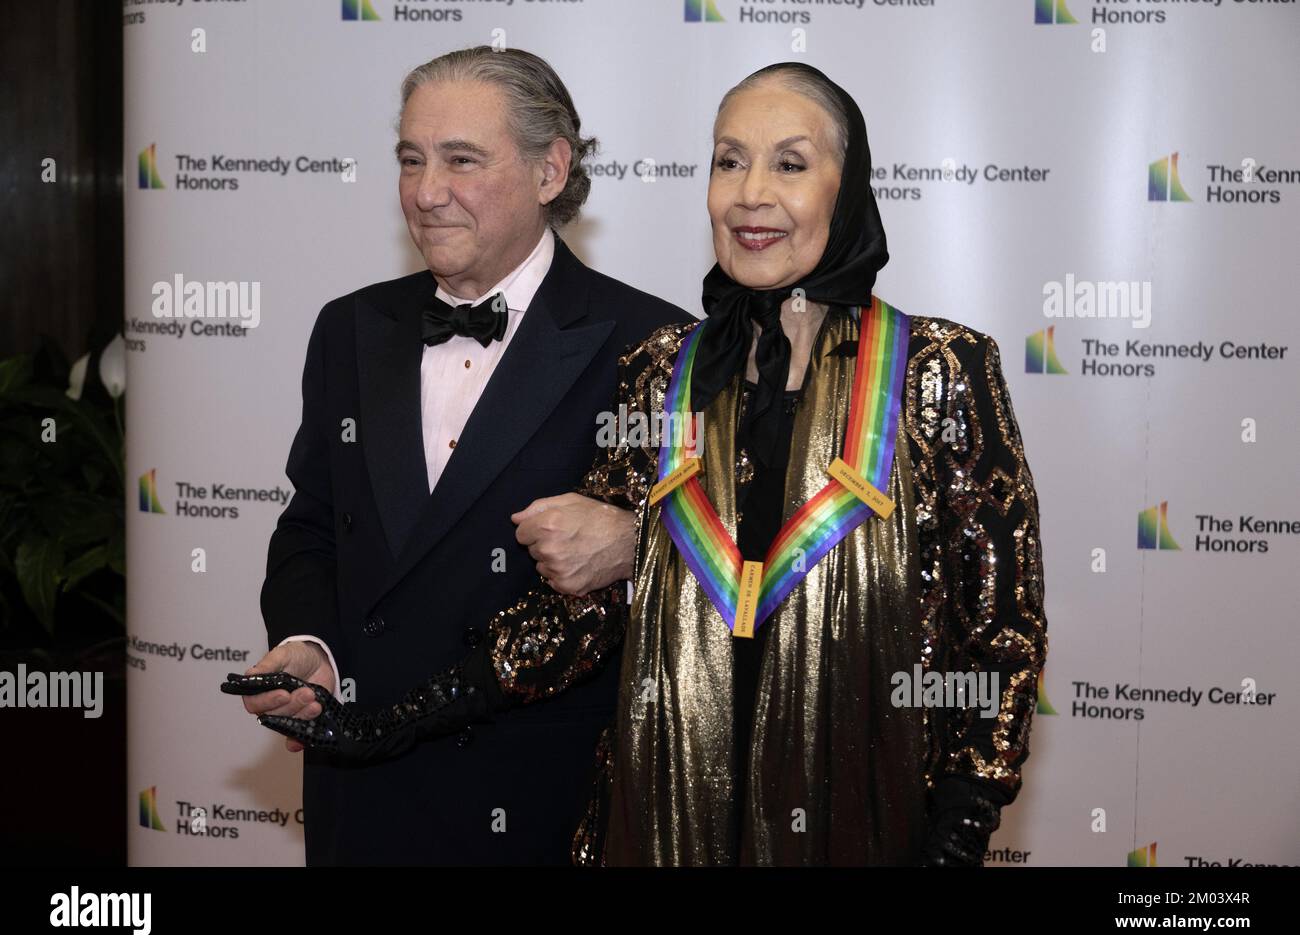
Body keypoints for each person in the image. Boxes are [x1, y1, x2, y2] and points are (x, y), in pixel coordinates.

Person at [228, 62, 1048, 867]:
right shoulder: (668, 367)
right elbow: (582, 617)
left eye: (790, 164)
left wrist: (958, 828)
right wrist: (392, 721)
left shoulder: (939, 368)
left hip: (860, 819)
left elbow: (999, 638)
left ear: (850, 185)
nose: (751, 192)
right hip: (669, 820)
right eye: (729, 161)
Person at [229, 46, 690, 865]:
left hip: (543, 801)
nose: (426, 191)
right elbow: (313, 527)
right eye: (411, 159)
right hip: (360, 797)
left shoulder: (653, 343)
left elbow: (716, 579)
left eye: (461, 160)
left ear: (550, 170)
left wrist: (638, 544)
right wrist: (311, 646)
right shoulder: (350, 328)